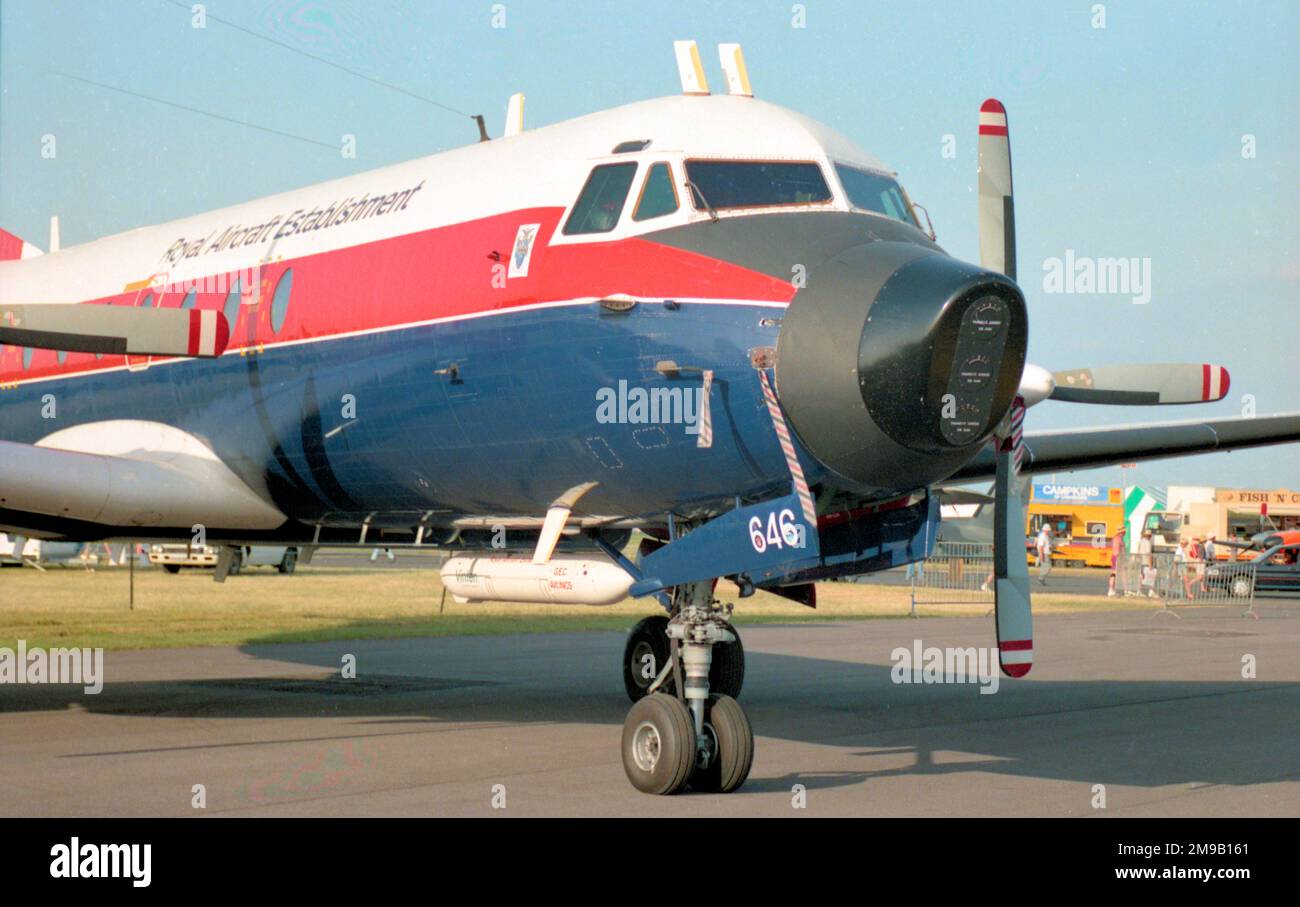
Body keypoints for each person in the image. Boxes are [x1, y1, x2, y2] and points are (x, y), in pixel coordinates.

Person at [1107, 524, 1128, 597]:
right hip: (1117, 557)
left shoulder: (1119, 538)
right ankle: (1111, 589)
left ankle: (1125, 590)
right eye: (1124, 531)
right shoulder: (1117, 538)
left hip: (1118, 557)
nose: (1125, 532)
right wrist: (1120, 558)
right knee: (1115, 573)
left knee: (1121, 574)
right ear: (1122, 531)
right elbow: (1117, 550)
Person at [1137, 529, 1157, 598]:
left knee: (1141, 576)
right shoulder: (1148, 543)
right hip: (1146, 562)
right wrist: (1150, 564)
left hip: (1141, 561)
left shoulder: (1141, 541)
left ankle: (1139, 591)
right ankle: (1151, 591)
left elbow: (1138, 551)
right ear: (1149, 536)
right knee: (1151, 576)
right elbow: (1149, 554)